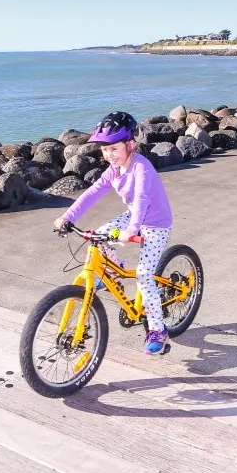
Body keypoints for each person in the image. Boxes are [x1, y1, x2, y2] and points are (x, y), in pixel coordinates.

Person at [52, 111, 174, 355]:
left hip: (156, 223)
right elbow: (92, 194)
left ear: (131, 144)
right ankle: (113, 273)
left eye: (114, 149)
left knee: (143, 276)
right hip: (133, 218)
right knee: (98, 237)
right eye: (104, 150)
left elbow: (141, 198)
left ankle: (158, 330)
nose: (109, 155)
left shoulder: (142, 168)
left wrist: (131, 230)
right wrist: (68, 217)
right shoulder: (113, 170)